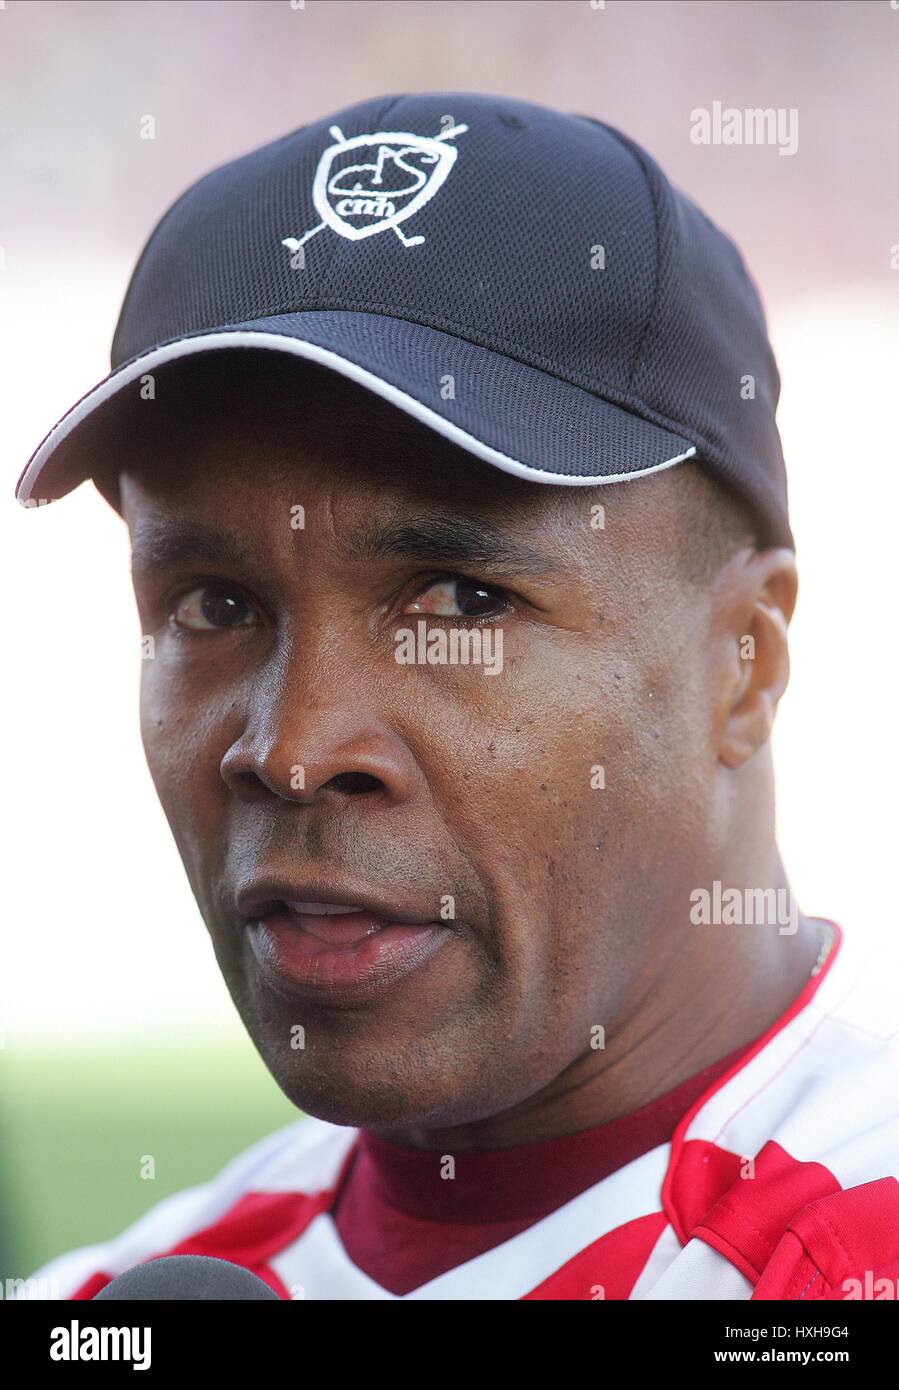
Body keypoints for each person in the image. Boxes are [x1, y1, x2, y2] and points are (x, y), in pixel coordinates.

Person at [16, 93, 899, 1301]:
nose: (292, 747)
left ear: (743, 659)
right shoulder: (119, 1298)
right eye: (213, 605)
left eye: (459, 600)